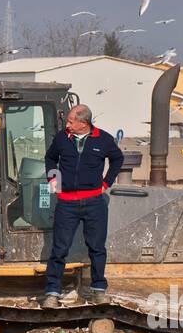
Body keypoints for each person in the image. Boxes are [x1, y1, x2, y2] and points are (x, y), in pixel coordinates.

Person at [40, 104, 125, 308]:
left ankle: (98, 290)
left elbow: (117, 159)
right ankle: (52, 292)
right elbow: (50, 158)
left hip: (94, 203)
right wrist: (54, 181)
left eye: (70, 121)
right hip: (66, 203)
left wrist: (106, 183)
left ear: (83, 123)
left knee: (96, 248)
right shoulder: (62, 138)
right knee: (59, 248)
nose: (67, 125)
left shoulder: (103, 139)